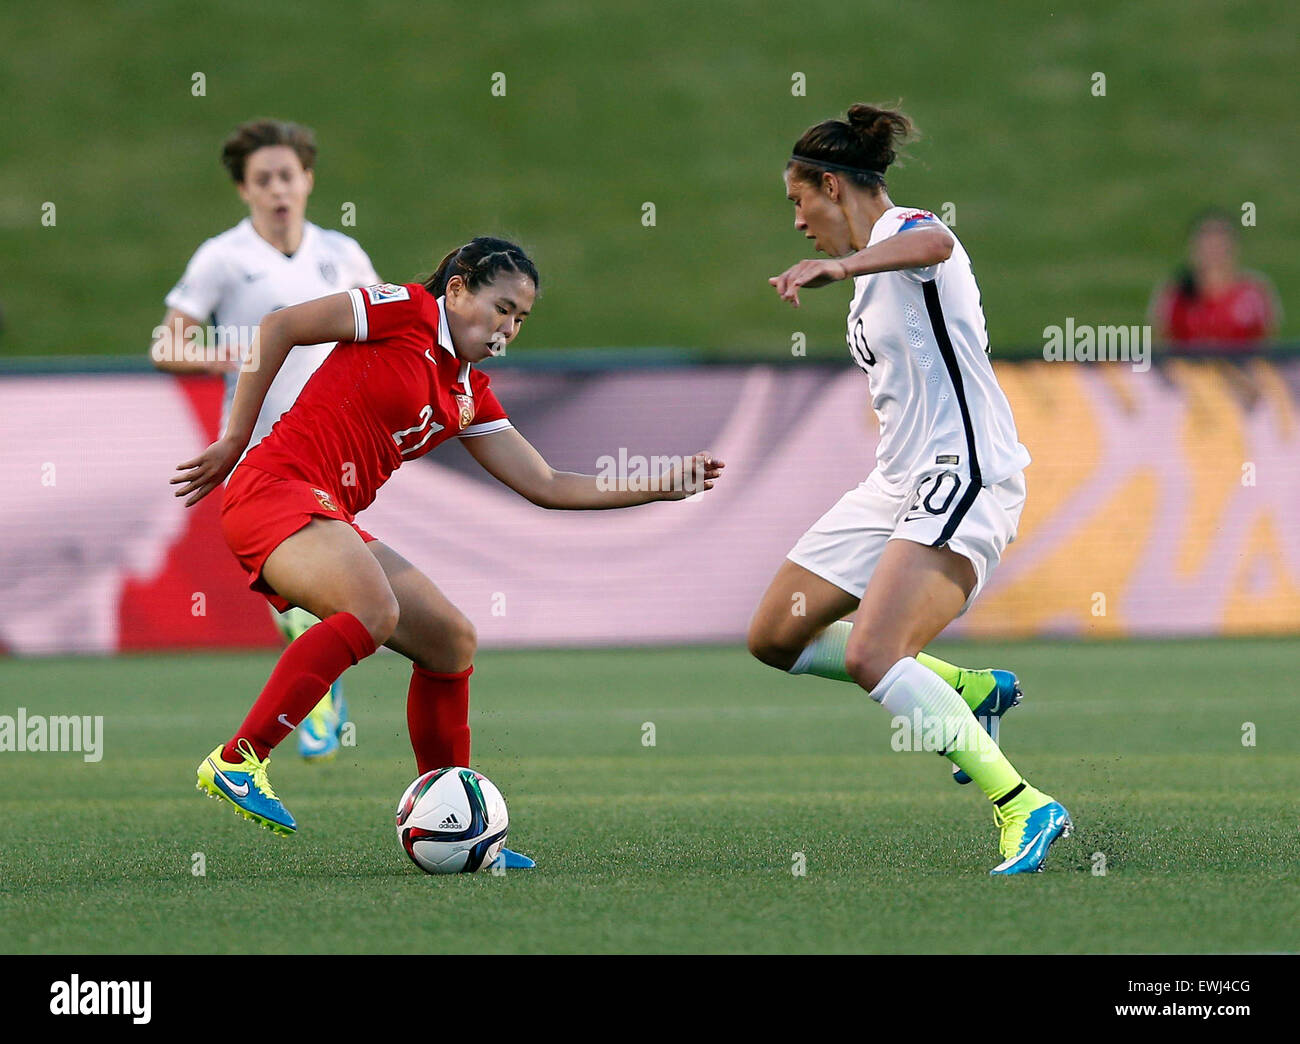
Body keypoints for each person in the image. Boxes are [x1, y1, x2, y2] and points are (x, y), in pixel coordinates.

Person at [173, 237, 724, 869]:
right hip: (274, 489)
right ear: (457, 289)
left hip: (324, 511)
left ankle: (457, 816)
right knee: (373, 610)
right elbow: (281, 325)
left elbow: (548, 486)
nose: (508, 327)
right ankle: (240, 759)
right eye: (501, 307)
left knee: (450, 640)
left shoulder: (468, 393)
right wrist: (234, 437)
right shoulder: (404, 310)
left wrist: (662, 483)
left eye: (521, 317)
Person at [751, 104, 1070, 874]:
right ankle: (965, 687)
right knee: (775, 636)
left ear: (833, 183)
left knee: (872, 653)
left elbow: (938, 241)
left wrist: (840, 264)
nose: (797, 223)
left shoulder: (907, 235)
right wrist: (848, 270)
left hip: (964, 472)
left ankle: (1023, 804)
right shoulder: (872, 275)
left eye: (799, 201)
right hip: (895, 483)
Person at [152, 119, 379, 760]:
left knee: (339, 592)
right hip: (258, 446)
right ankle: (316, 702)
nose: (278, 190)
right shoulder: (223, 257)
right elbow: (167, 343)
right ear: (244, 191)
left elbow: (382, 328)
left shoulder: (343, 254)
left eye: (287, 176)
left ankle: (315, 687)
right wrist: (233, 351)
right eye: (263, 180)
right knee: (308, 589)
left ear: (307, 180)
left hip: (340, 445)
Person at [1150, 209, 1280, 350]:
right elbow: (1163, 348)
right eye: (1206, 242)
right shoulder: (1175, 293)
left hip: (1242, 370)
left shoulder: (1254, 292)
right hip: (1187, 370)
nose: (1213, 250)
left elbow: (1267, 347)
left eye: (1220, 242)